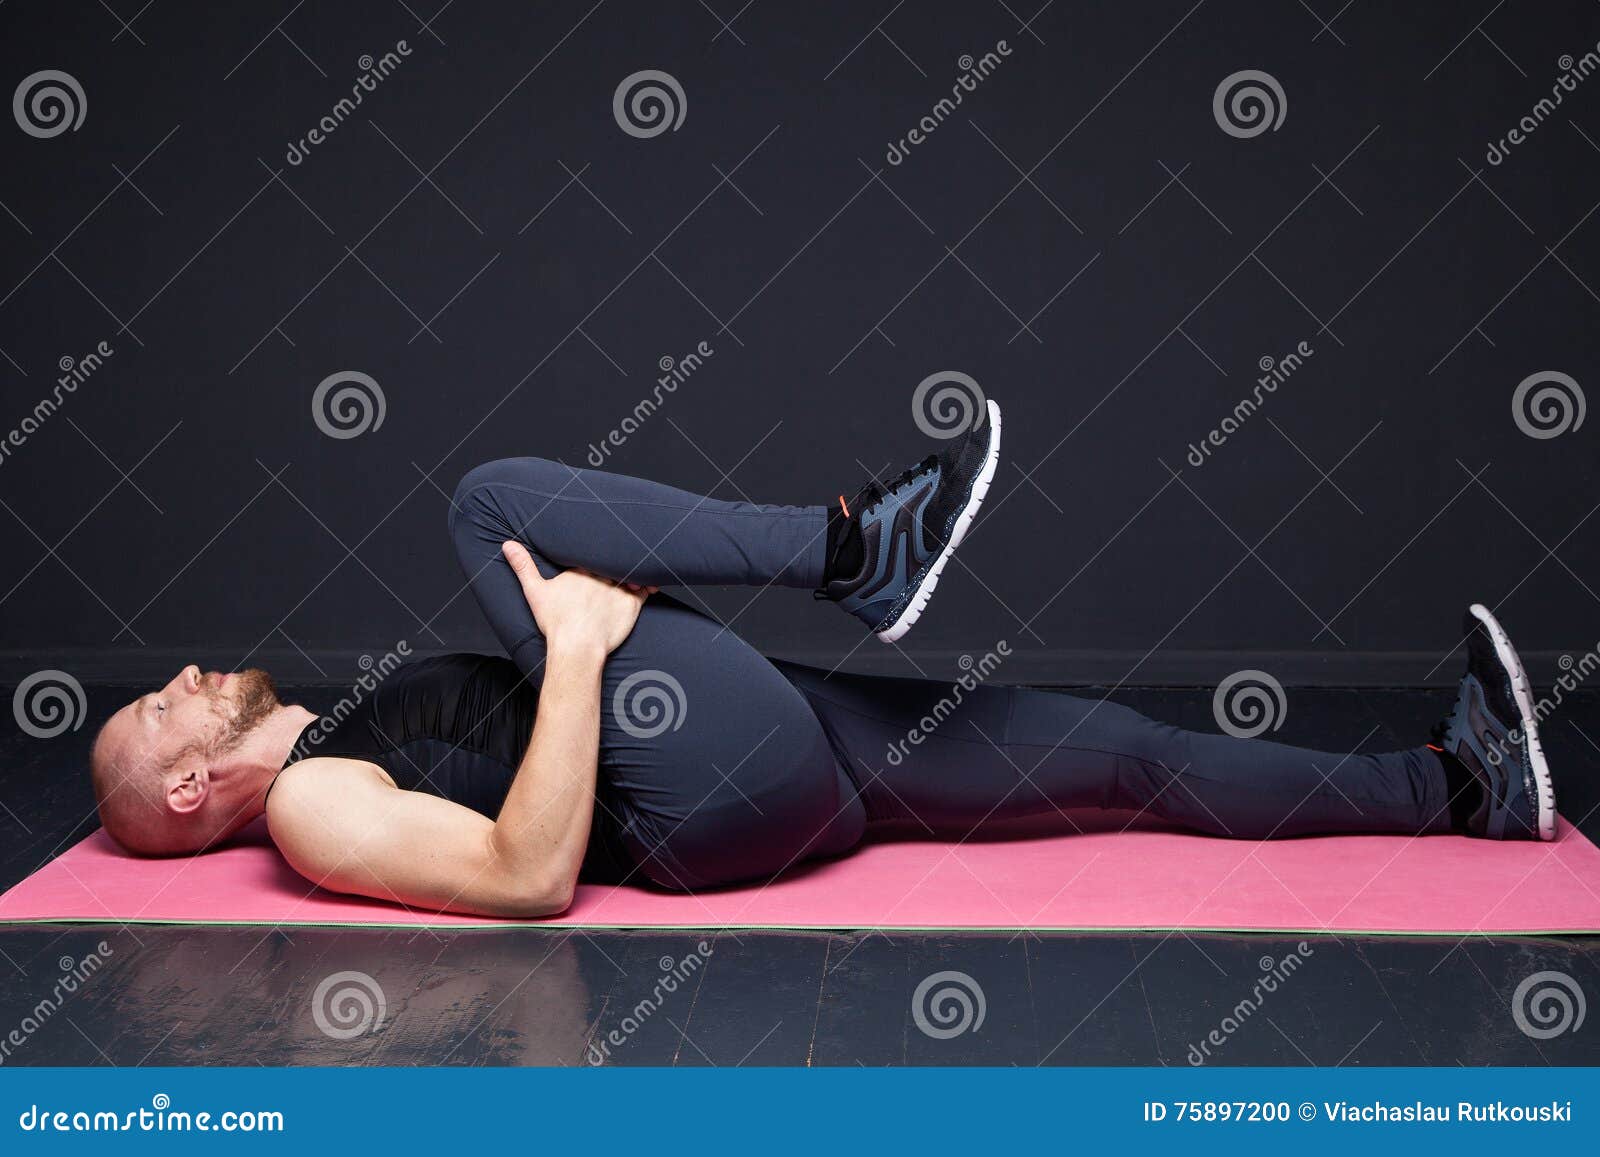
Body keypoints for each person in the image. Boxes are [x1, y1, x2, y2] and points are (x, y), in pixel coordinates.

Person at [87, 401, 1556, 918]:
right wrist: (585, 654)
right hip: (690, 796)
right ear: (203, 783)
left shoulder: (331, 731)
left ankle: (1456, 783)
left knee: (1117, 748)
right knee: (490, 505)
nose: (196, 672)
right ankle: (855, 551)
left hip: (781, 766)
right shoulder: (306, 802)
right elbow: (530, 879)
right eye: (169, 708)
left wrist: (589, 637)